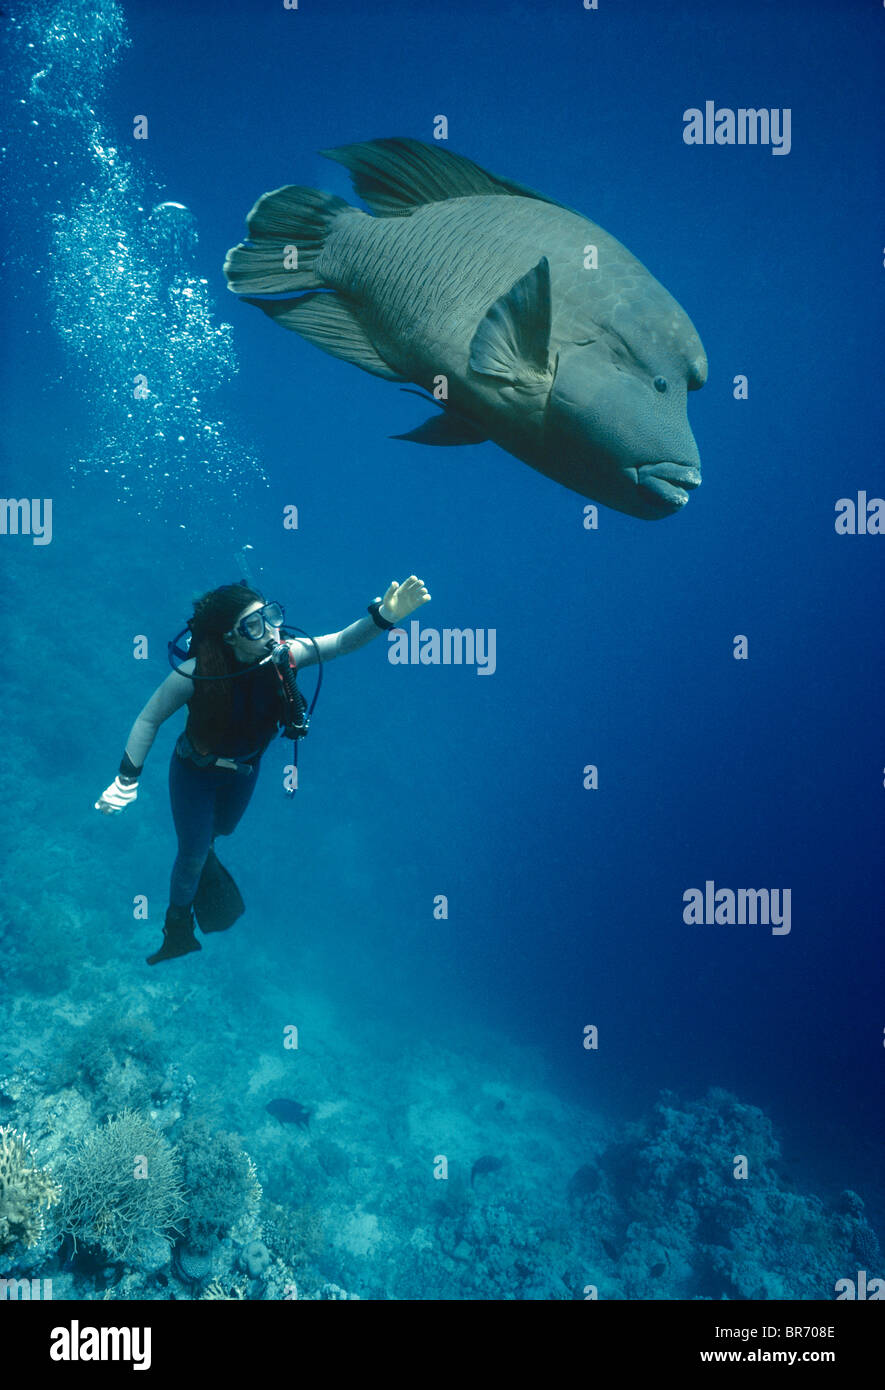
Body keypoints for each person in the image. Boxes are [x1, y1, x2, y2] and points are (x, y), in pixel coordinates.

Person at [95, 576, 430, 964]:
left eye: (270, 616)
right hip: (194, 773)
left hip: (243, 771)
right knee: (191, 855)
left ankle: (206, 848)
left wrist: (385, 616)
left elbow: (340, 643)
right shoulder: (195, 672)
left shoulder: (287, 655)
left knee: (221, 831)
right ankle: (177, 931)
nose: (271, 630)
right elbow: (148, 720)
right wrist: (126, 779)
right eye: (253, 625)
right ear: (229, 637)